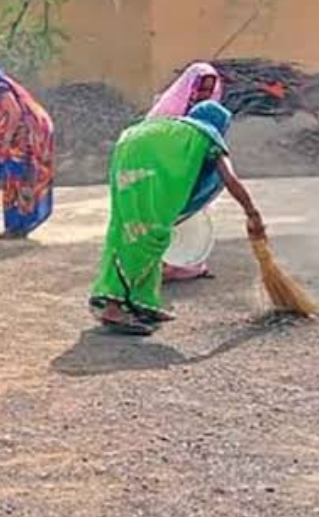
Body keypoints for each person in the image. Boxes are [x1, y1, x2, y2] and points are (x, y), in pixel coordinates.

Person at [89, 101, 265, 335]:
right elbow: (229, 178)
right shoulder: (206, 133)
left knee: (127, 229)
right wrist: (252, 212)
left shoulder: (174, 127)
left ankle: (142, 301)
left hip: (127, 152)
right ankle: (112, 307)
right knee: (146, 236)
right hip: (145, 167)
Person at [148, 62, 225, 281]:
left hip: (193, 177)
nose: (204, 94)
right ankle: (159, 266)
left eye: (209, 90)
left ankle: (189, 265)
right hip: (165, 175)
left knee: (192, 220)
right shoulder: (168, 112)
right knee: (165, 221)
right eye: (201, 88)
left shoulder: (209, 113)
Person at [0, 65, 56, 240]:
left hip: (22, 144)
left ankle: (17, 226)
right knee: (15, 181)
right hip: (15, 144)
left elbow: (15, 113)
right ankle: (17, 226)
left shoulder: (0, 91)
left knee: (17, 181)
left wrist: (7, 139)